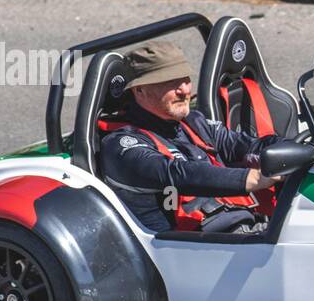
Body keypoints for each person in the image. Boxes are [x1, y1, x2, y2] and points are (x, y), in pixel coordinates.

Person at [100, 40, 280, 234]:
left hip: (241, 230)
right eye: (171, 83)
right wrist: (251, 178)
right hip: (184, 252)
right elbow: (178, 174)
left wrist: (291, 150)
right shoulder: (121, 145)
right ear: (139, 90)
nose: (185, 90)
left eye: (185, 79)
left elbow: (244, 144)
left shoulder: (192, 122)